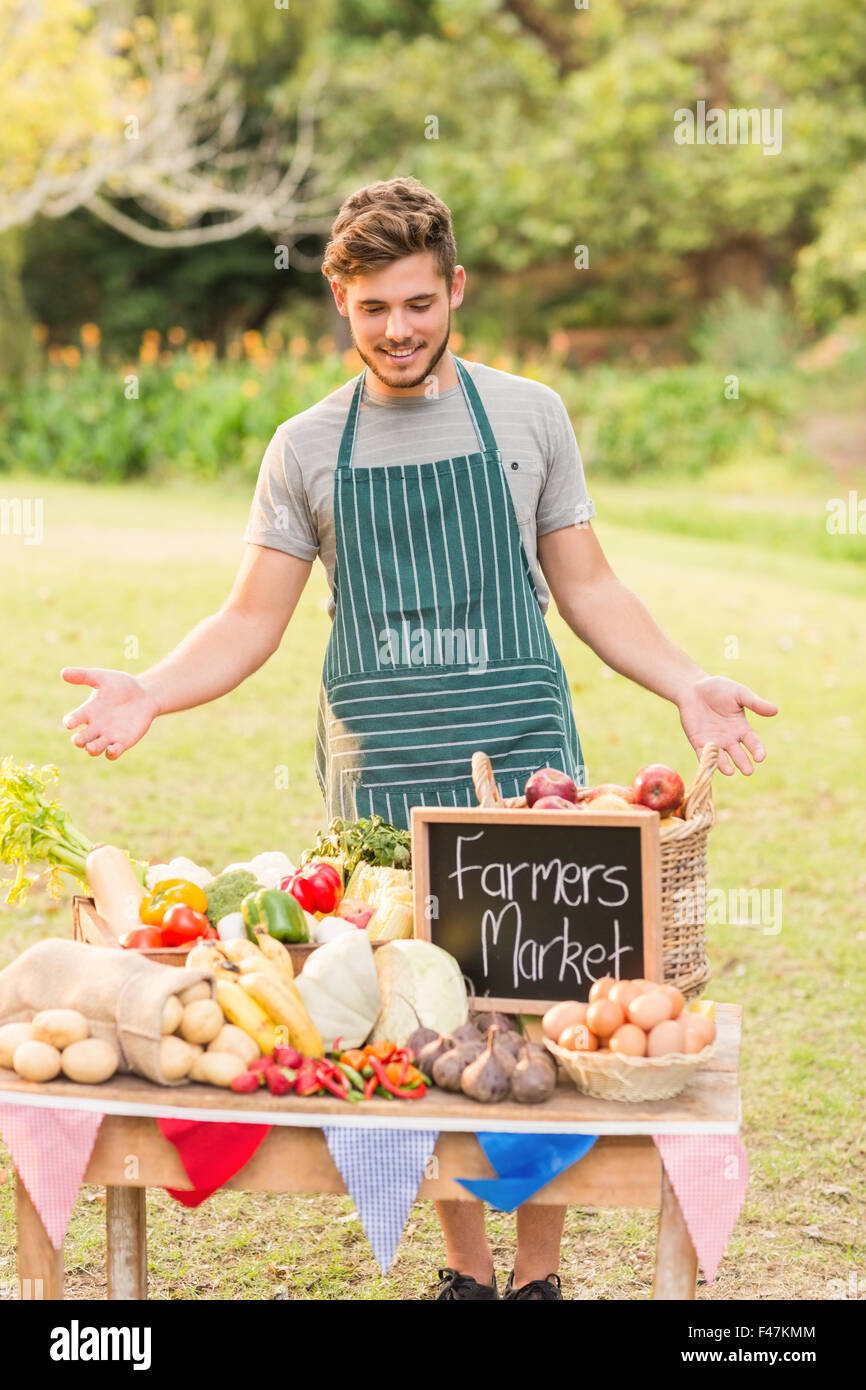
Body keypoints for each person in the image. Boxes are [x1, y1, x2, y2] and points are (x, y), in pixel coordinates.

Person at [61, 176, 777, 1300]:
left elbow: (585, 584)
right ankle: (465, 1271)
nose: (395, 330)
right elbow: (253, 616)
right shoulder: (303, 447)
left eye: (415, 303)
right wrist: (151, 688)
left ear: (453, 288)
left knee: (540, 1007)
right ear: (338, 304)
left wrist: (686, 681)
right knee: (410, 1012)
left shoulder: (530, 415)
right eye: (369, 308)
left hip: (521, 756)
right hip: (380, 767)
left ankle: (536, 1275)